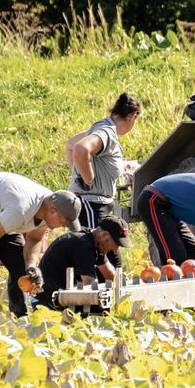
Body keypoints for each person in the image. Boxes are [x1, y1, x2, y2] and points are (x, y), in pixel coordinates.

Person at [0, 172, 83, 321]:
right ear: (53, 211)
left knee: (20, 267)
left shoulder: (48, 208)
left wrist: (31, 265)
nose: (64, 226)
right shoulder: (20, 210)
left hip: (1, 211)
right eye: (64, 222)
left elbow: (34, 238)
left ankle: (21, 317)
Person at [64, 92, 141, 268]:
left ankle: (114, 291)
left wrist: (77, 174)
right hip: (92, 205)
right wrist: (87, 178)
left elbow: (69, 145)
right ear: (132, 117)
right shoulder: (107, 132)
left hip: (99, 204)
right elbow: (80, 149)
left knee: (112, 258)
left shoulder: (101, 128)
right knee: (97, 260)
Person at [33, 216, 133, 307]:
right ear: (104, 235)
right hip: (50, 302)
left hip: (61, 296)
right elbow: (90, 288)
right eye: (115, 243)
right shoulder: (83, 245)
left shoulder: (95, 240)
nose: (115, 250)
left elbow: (111, 276)